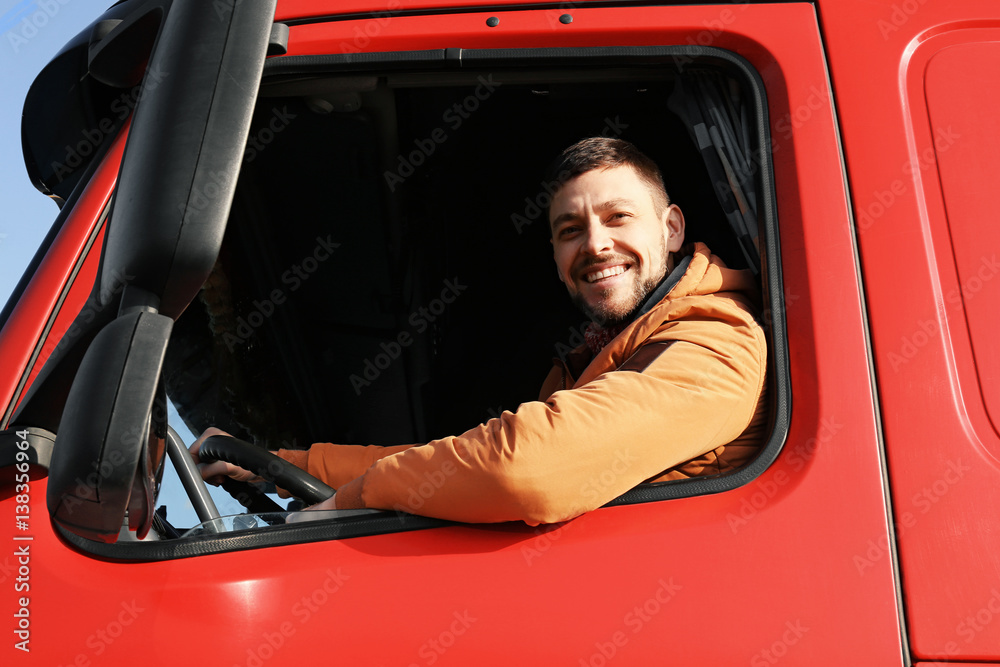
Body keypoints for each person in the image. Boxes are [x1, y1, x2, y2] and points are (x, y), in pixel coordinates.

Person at [191, 137, 768, 526]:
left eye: (619, 218)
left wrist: (350, 502)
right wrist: (287, 464)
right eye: (570, 230)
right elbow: (450, 459)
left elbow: (523, 466)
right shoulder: (595, 360)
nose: (594, 244)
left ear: (670, 230)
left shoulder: (715, 339)